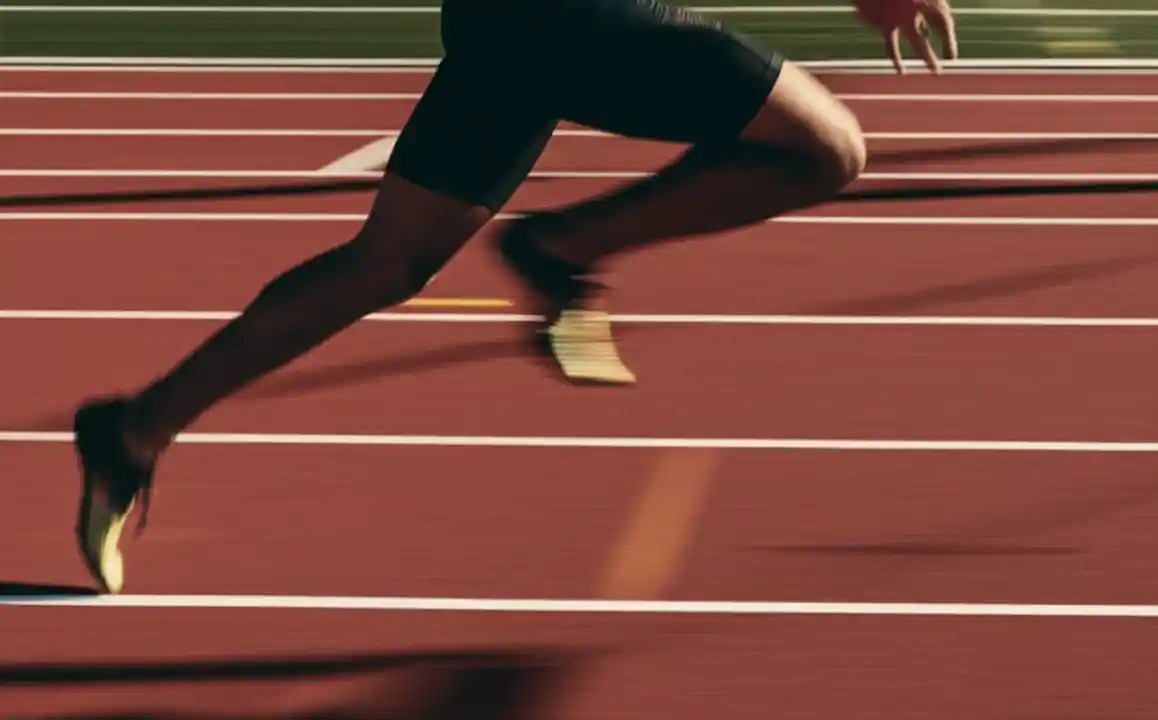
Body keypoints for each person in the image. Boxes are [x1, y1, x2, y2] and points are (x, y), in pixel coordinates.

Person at [72, 0, 958, 594]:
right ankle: (561, 244)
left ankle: (135, 427)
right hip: (570, 15)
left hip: (512, 23)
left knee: (386, 263)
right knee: (825, 148)